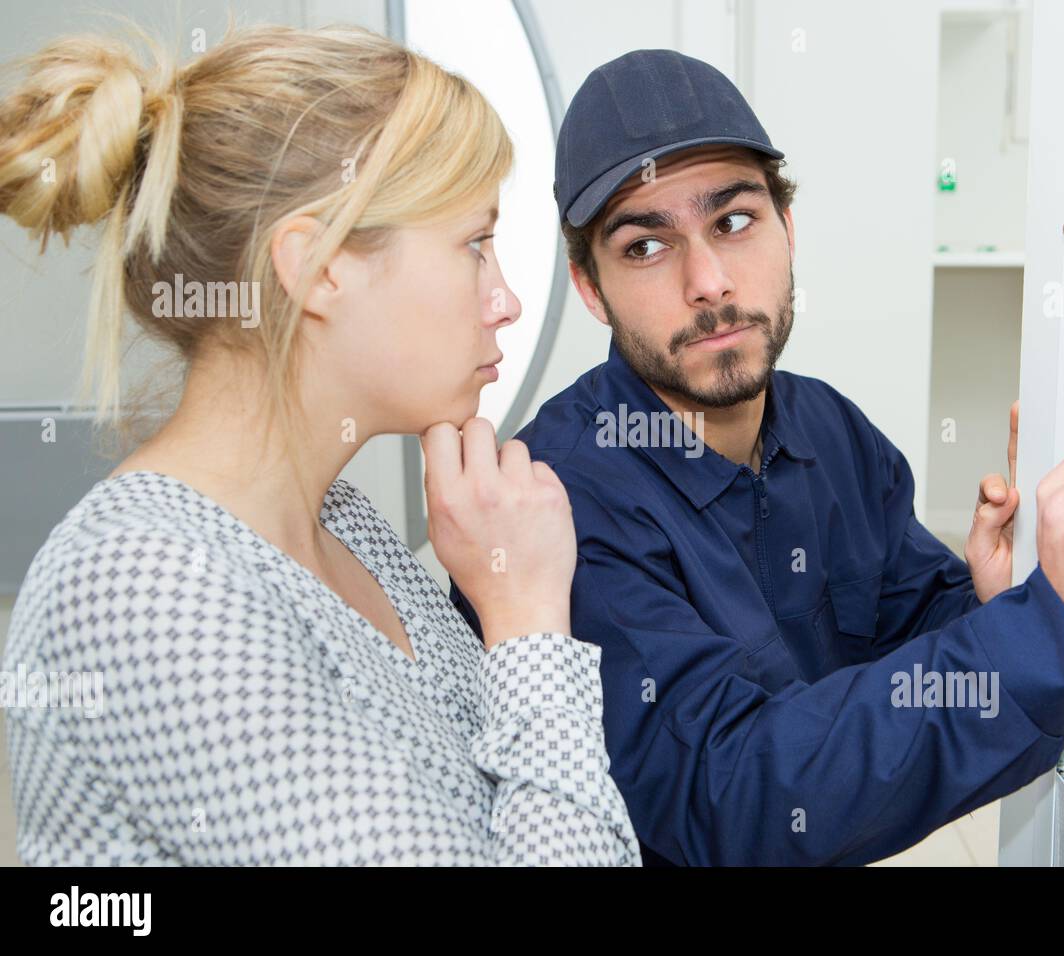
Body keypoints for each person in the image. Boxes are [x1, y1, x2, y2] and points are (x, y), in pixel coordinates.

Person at [451, 49, 1064, 866]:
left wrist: (999, 599)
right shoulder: (557, 504)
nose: (708, 281)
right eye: (645, 247)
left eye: (734, 222)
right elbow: (733, 794)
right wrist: (1049, 629)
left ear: (788, 228)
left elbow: (913, 650)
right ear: (590, 287)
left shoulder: (829, 431)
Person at [0, 24, 639, 866]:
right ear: (319, 265)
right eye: (474, 245)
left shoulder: (343, 525)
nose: (507, 300)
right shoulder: (142, 589)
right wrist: (525, 619)